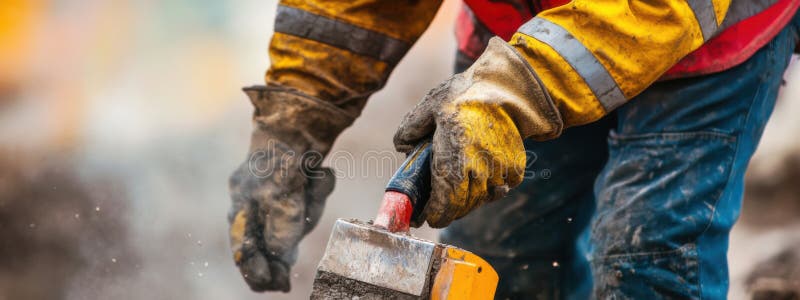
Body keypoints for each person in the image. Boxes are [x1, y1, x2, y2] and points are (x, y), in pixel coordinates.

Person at [226, 0, 800, 298]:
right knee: (498, 263)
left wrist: (508, 93)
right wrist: (293, 119)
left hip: (708, 40)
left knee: (648, 255)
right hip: (519, 33)